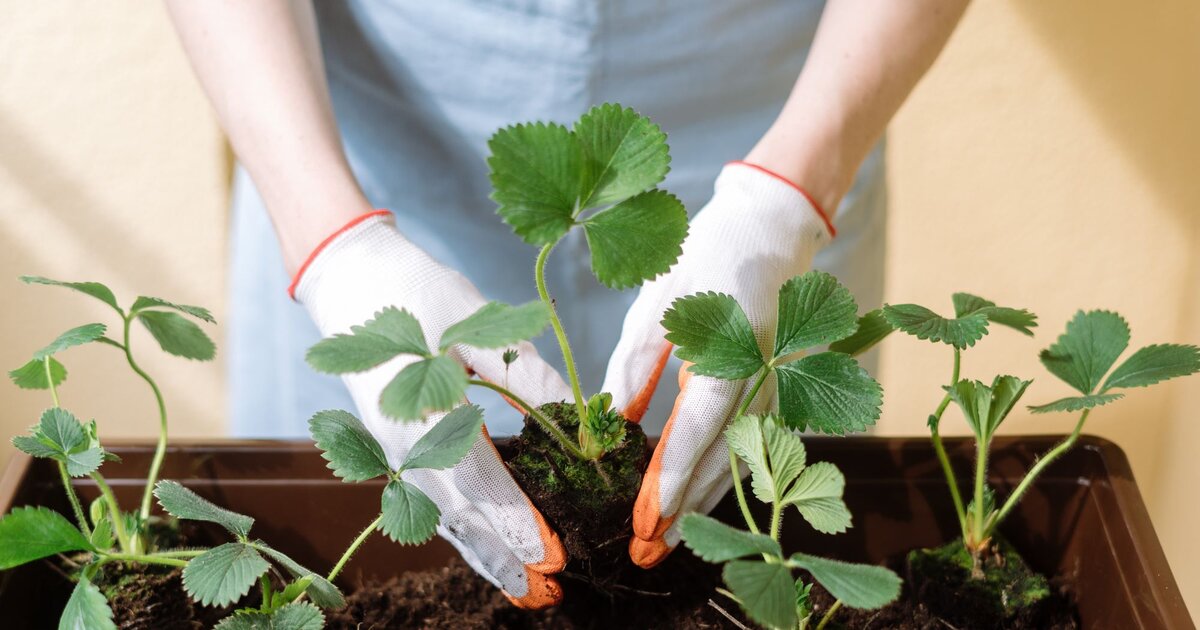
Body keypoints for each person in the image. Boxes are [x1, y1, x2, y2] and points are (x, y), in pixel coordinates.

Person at [167, 0, 968, 610]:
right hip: (354, 141)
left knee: (761, 537)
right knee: (356, 543)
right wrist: (333, 247)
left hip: (784, 102)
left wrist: (788, 198)